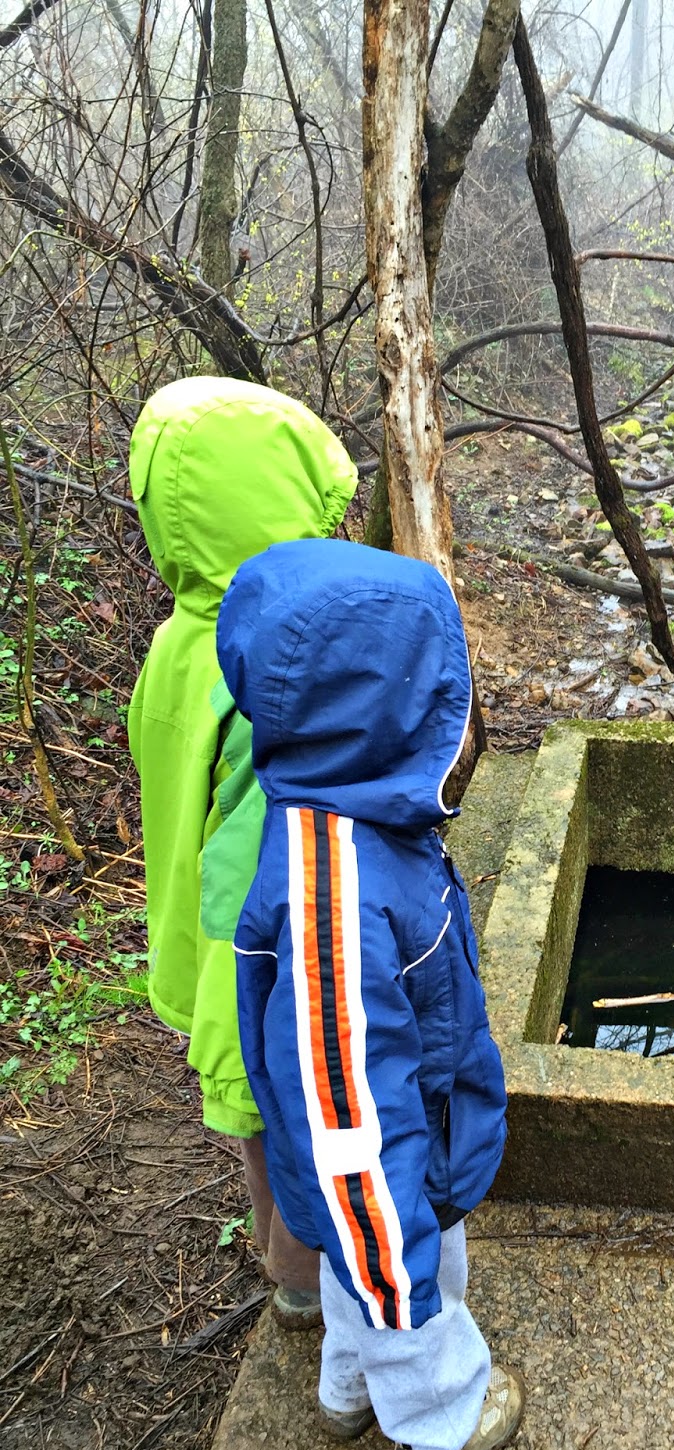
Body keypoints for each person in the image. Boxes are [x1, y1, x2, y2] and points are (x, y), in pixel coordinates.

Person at [214, 537, 522, 1450]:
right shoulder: (336, 899)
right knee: (396, 1289)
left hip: (388, 1152)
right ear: (384, 713)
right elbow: (350, 1105)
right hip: (388, 1168)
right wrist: (398, 1262)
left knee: (357, 1278)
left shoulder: (341, 807)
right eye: (445, 693)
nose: (463, 714)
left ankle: (347, 1387)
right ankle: (439, 1423)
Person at [128, 377, 358, 1329]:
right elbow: (274, 836)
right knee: (289, 1109)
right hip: (257, 945)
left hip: (200, 927)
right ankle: (307, 1287)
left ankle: (276, 1251)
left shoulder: (180, 642)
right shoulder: (270, 663)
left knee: (253, 1115)